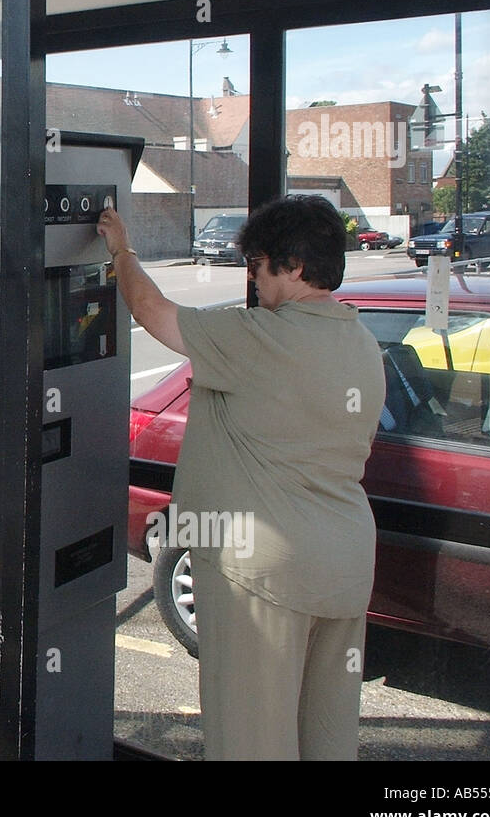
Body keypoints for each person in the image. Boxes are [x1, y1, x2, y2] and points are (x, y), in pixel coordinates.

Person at [97, 195, 385, 760]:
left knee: (251, 738)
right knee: (325, 733)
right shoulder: (362, 342)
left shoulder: (260, 337)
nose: (251, 280)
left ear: (294, 267)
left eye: (256, 265)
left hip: (266, 578)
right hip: (344, 565)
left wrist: (120, 250)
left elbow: (153, 311)